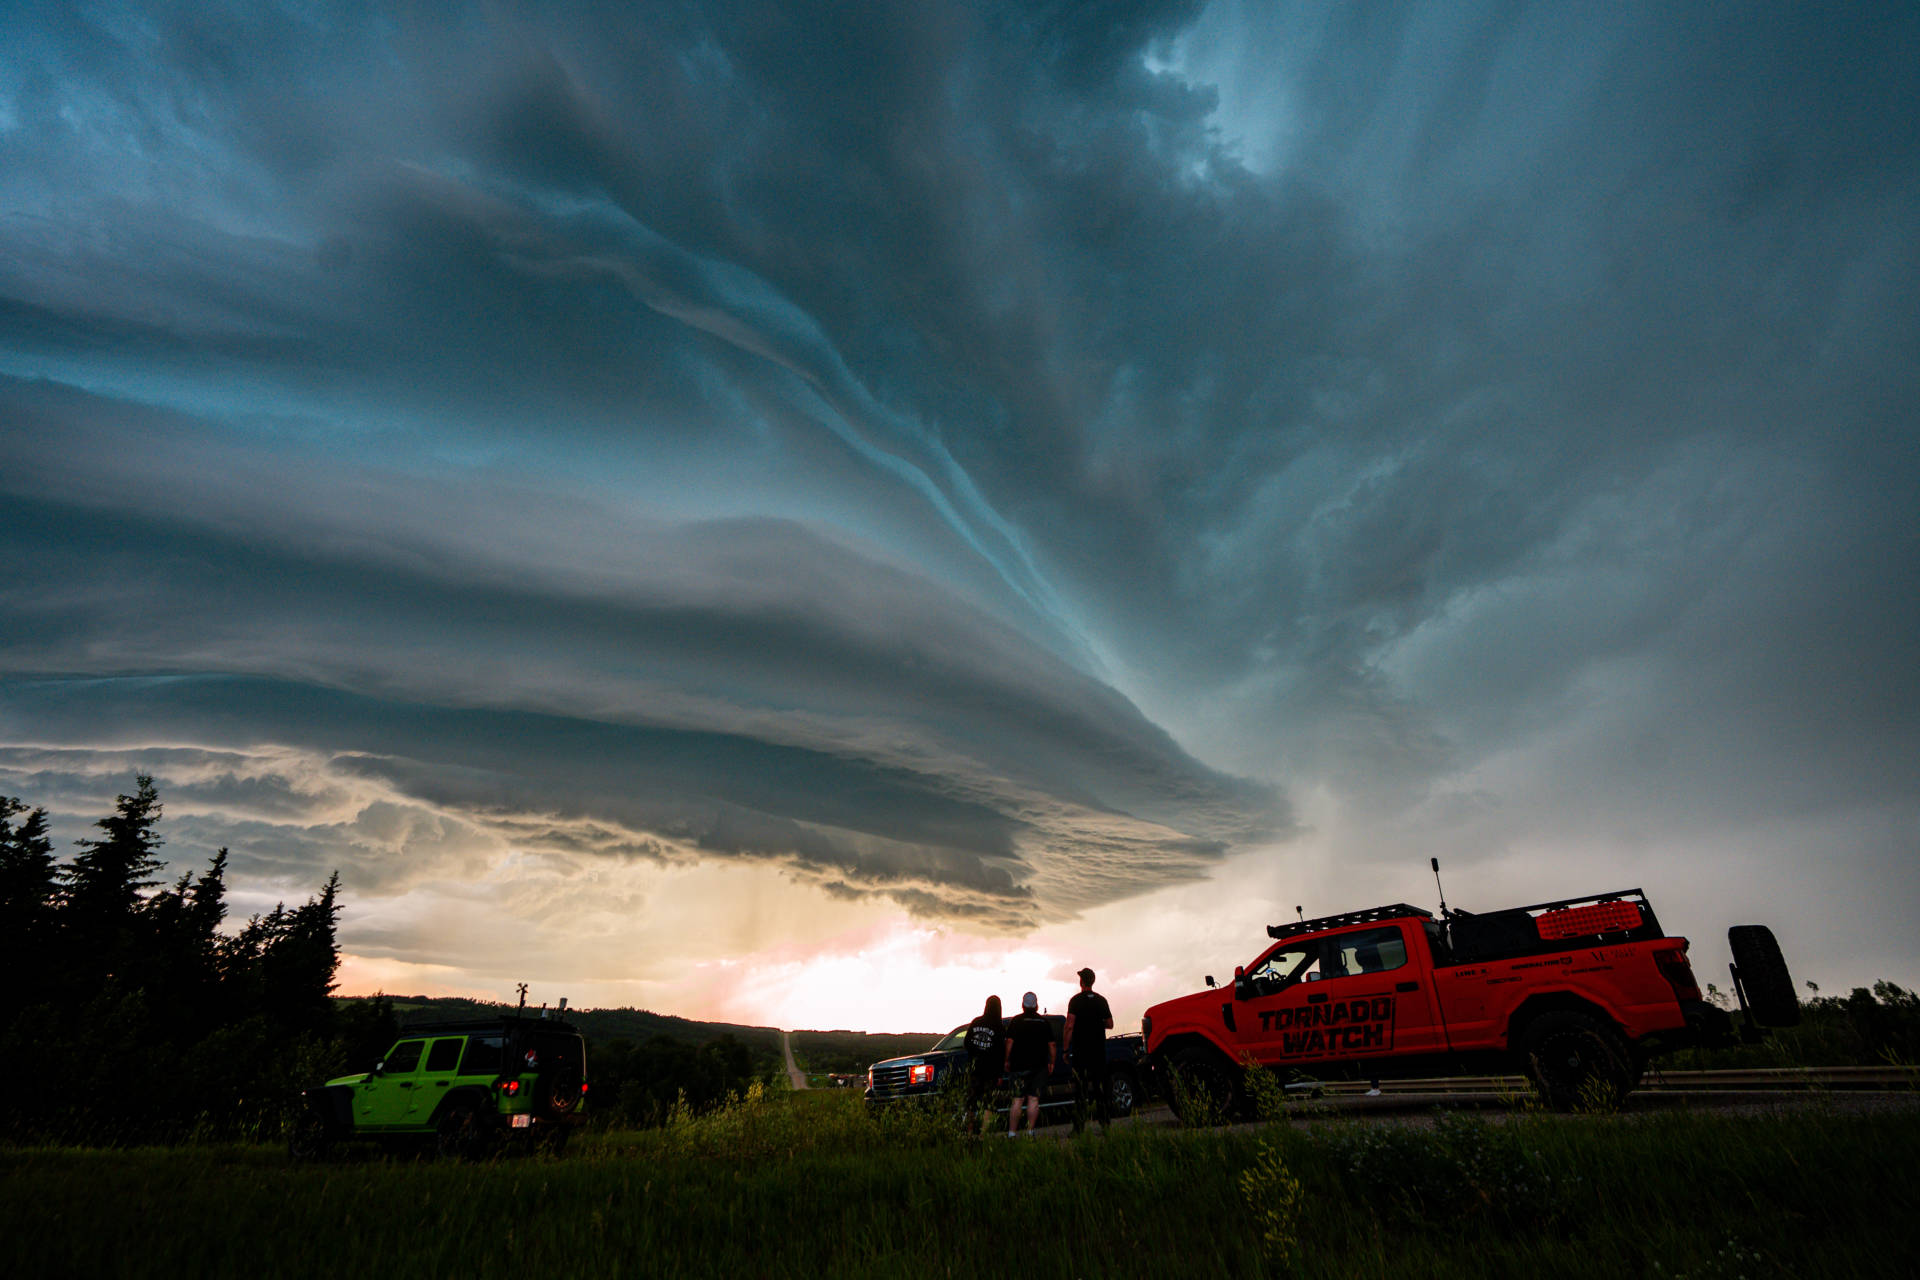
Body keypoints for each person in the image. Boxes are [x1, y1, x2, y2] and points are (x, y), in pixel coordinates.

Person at [1065, 967, 1114, 1133]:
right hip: (1099, 1052)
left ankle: (1079, 1128)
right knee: (1100, 1089)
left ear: (1081, 981)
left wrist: (1065, 1049)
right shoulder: (1101, 1000)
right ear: (1092, 981)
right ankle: (1105, 1124)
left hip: (1081, 1053)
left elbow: (1069, 1025)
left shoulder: (1075, 1001)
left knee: (1080, 1091)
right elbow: (1110, 1024)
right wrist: (1096, 1022)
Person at [1003, 991, 1054, 1137]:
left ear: (1023, 1005)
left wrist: (1006, 1060)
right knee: (1033, 1099)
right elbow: (1052, 1045)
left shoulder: (1016, 1021)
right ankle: (1030, 1131)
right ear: (1036, 1005)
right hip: (1039, 1067)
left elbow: (1009, 1042)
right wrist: (1051, 1062)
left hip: (1018, 1066)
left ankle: (1012, 1133)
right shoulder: (1044, 1022)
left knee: (1017, 1100)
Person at [963, 995, 1004, 1130]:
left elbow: (966, 1043)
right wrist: (999, 1074)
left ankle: (969, 1133)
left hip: (975, 1070)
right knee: (988, 1103)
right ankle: (982, 1134)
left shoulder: (976, 1022)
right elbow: (1000, 1052)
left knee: (971, 1102)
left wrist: (975, 1054)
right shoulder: (999, 1026)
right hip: (991, 1071)